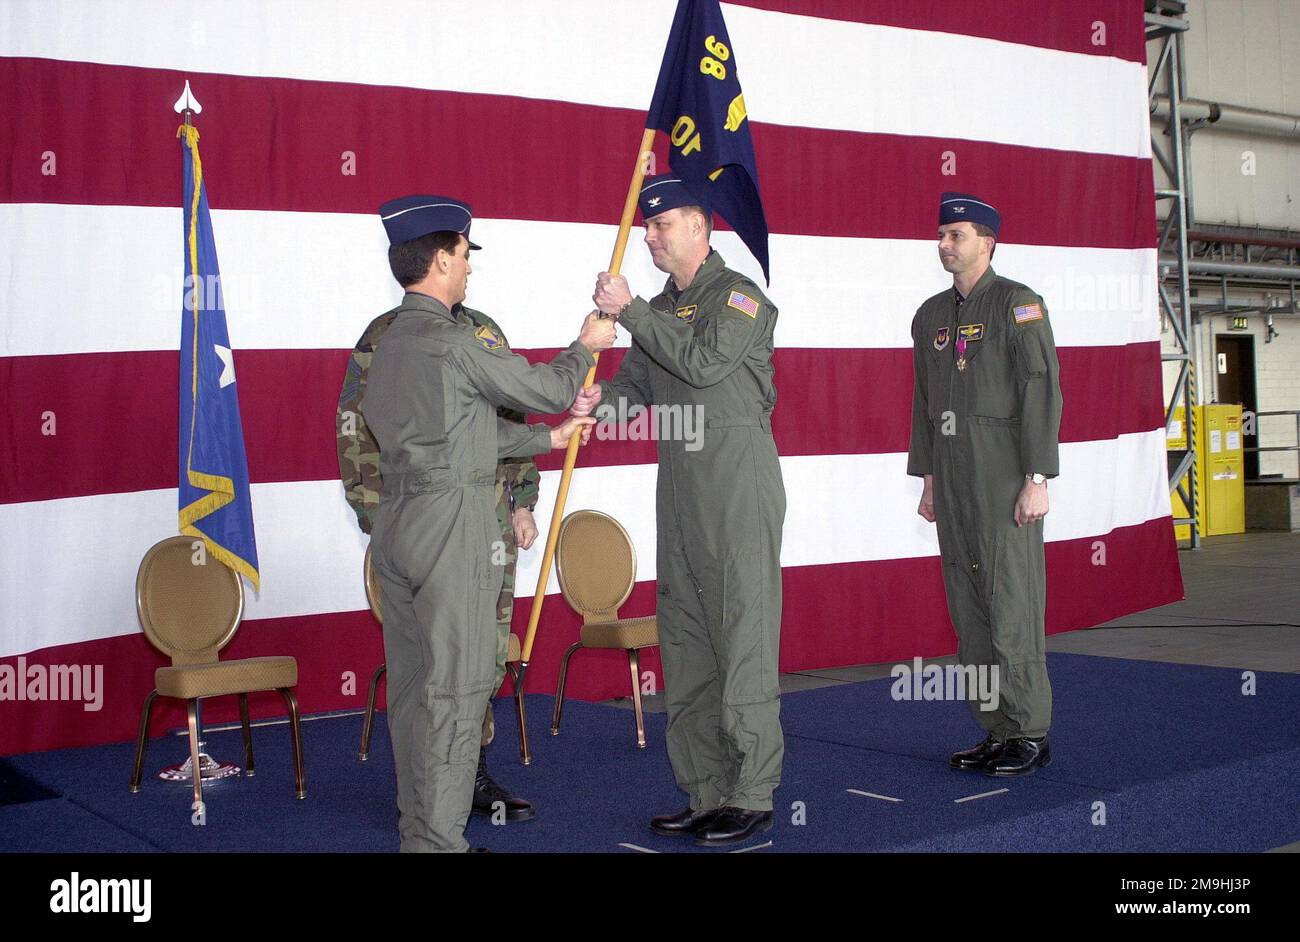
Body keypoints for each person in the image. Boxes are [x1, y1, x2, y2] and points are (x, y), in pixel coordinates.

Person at [362, 194, 614, 851]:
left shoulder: (389, 344)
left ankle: (420, 835)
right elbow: (545, 387)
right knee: (459, 692)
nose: (470, 267)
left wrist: (550, 441)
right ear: (442, 259)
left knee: (416, 695)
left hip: (399, 523)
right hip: (454, 530)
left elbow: (456, 432)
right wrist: (585, 346)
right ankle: (439, 843)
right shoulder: (454, 340)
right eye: (466, 254)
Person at [587, 175, 785, 846]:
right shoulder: (663, 310)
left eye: (661, 223)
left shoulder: (738, 298)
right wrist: (592, 410)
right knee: (689, 644)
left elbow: (704, 365)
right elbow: (636, 391)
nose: (648, 235)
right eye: (646, 225)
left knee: (742, 641)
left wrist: (633, 313)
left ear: (700, 228)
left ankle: (752, 792)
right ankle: (708, 791)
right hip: (680, 494)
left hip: (735, 490)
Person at [337, 291, 543, 825]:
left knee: (485, 654)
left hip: (488, 520)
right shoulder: (386, 337)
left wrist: (522, 502)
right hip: (423, 521)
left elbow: (511, 419)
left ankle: (466, 768)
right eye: (459, 253)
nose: (468, 267)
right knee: (432, 659)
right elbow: (356, 430)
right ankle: (426, 783)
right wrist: (374, 516)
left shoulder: (484, 332)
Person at [906, 192, 1063, 776]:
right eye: (942, 234)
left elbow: (1041, 390)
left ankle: (1029, 730)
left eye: (959, 235)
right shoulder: (929, 317)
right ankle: (995, 728)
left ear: (988, 243)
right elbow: (924, 402)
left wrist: (1037, 476)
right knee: (970, 609)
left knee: (1012, 603)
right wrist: (927, 480)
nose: (946, 245)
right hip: (951, 476)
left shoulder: (1019, 306)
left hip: (1003, 473)